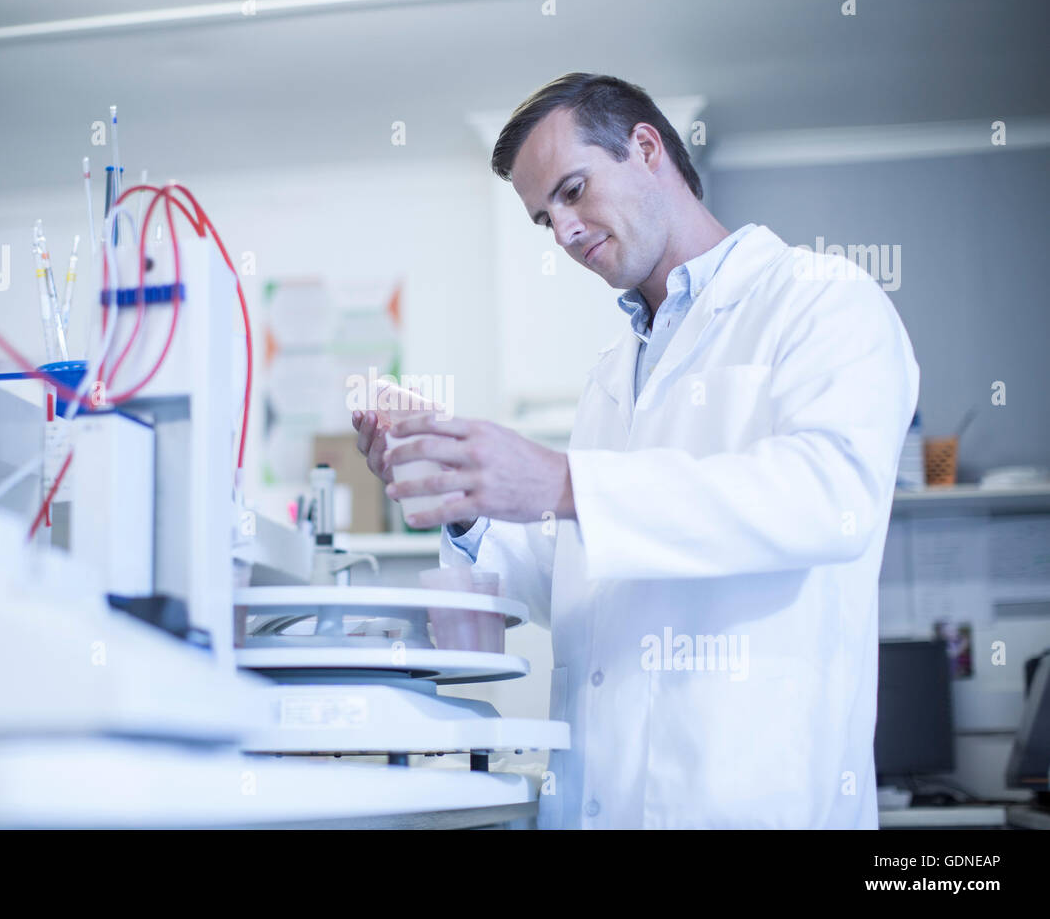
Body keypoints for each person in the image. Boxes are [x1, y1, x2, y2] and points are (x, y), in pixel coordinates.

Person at [351, 72, 919, 828]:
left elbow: (831, 501)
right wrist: (463, 498)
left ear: (646, 148)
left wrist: (563, 484)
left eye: (574, 189)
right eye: (543, 218)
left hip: (748, 801)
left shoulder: (823, 300)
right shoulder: (613, 375)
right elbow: (584, 585)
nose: (564, 231)